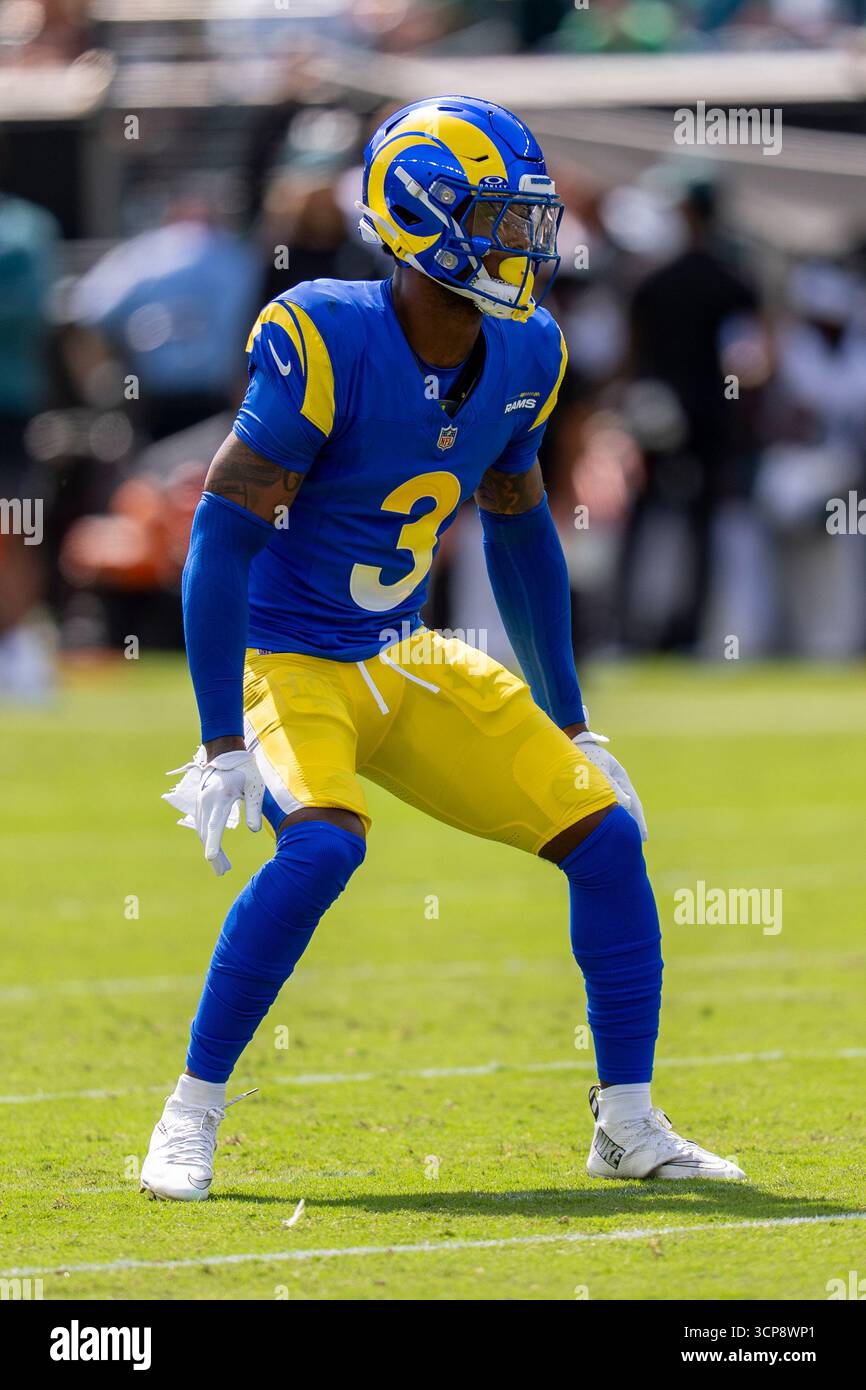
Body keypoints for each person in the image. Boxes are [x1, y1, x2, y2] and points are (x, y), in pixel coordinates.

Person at [141, 96, 744, 1200]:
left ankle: (625, 1121)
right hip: (288, 663)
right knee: (323, 845)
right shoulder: (322, 332)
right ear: (423, 218)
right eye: (499, 220)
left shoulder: (527, 349)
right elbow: (217, 541)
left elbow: (519, 533)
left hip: (400, 656)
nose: (527, 243)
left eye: (529, 220)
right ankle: (190, 1111)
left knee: (605, 837)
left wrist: (573, 721)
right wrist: (220, 736)